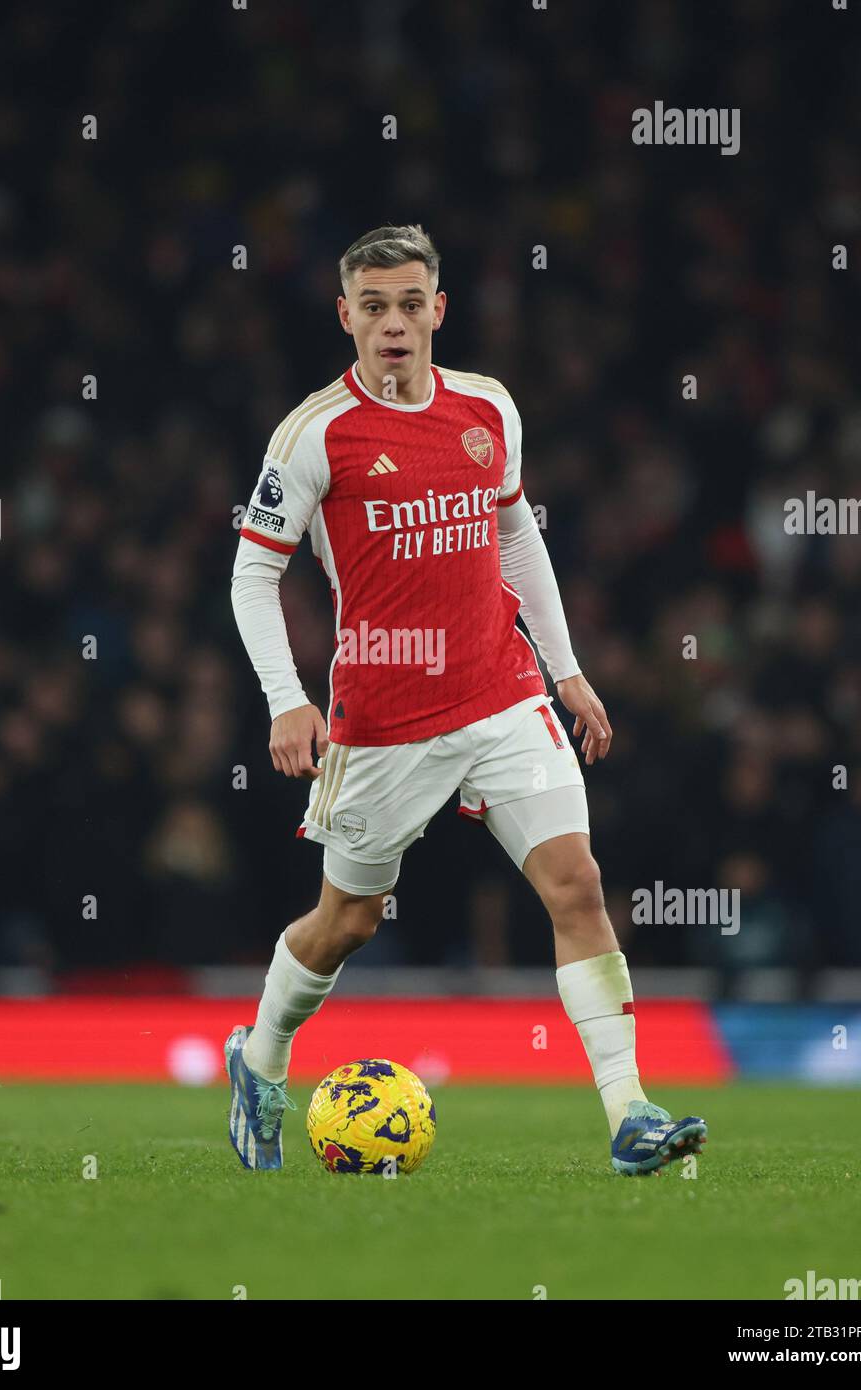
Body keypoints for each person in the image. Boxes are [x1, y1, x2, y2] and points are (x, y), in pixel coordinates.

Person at [229, 224, 707, 1175]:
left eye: (411, 304)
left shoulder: (488, 408)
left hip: (500, 691)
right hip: (383, 723)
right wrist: (287, 699)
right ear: (346, 317)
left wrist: (564, 669)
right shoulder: (313, 434)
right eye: (374, 308)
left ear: (438, 310)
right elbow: (252, 573)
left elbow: (519, 541)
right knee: (349, 923)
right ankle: (262, 1058)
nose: (394, 324)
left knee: (576, 885)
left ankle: (631, 1115)